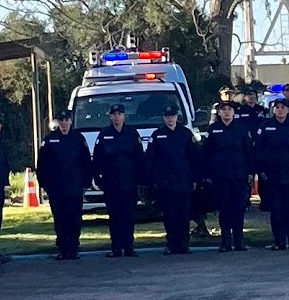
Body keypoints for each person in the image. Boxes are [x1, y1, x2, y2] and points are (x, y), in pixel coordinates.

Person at [251, 94, 289, 250]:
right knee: (276, 210)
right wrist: (261, 170)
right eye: (277, 107)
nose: (280, 110)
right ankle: (279, 241)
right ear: (273, 110)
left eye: (283, 107)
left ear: (288, 110)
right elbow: (258, 150)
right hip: (272, 175)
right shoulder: (265, 126)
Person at [35, 110, 90, 261]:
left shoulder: (78, 139)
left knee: (74, 218)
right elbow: (42, 165)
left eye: (66, 119)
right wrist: (45, 184)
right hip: (56, 189)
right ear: (57, 122)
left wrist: (85, 183)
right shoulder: (50, 140)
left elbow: (86, 163)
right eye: (61, 120)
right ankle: (63, 249)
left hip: (74, 187)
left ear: (71, 121)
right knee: (60, 218)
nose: (64, 122)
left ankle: (73, 248)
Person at [90, 105, 144, 258]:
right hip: (111, 183)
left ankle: (129, 247)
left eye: (119, 114)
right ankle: (116, 247)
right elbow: (98, 158)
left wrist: (141, 180)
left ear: (124, 116)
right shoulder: (104, 134)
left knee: (128, 216)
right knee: (114, 216)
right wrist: (97, 177)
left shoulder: (132, 134)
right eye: (114, 114)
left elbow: (139, 158)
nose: (117, 117)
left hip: (129, 182)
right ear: (110, 117)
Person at [146, 105, 199, 254]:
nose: (170, 119)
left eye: (172, 116)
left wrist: (195, 178)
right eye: (167, 116)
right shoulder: (157, 135)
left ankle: (183, 244)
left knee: (183, 214)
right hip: (166, 183)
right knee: (169, 214)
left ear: (177, 117)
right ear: (163, 118)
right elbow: (151, 159)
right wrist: (154, 180)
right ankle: (171, 243)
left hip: (184, 181)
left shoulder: (186, 134)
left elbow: (194, 158)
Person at [201, 100, 252, 251]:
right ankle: (225, 241)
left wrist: (250, 172)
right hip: (220, 176)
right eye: (224, 110)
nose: (227, 112)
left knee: (238, 208)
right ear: (219, 113)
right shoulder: (213, 130)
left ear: (233, 112)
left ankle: (239, 241)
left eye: (229, 109)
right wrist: (207, 174)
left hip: (239, 175)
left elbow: (249, 152)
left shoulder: (242, 129)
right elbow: (206, 153)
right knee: (224, 209)